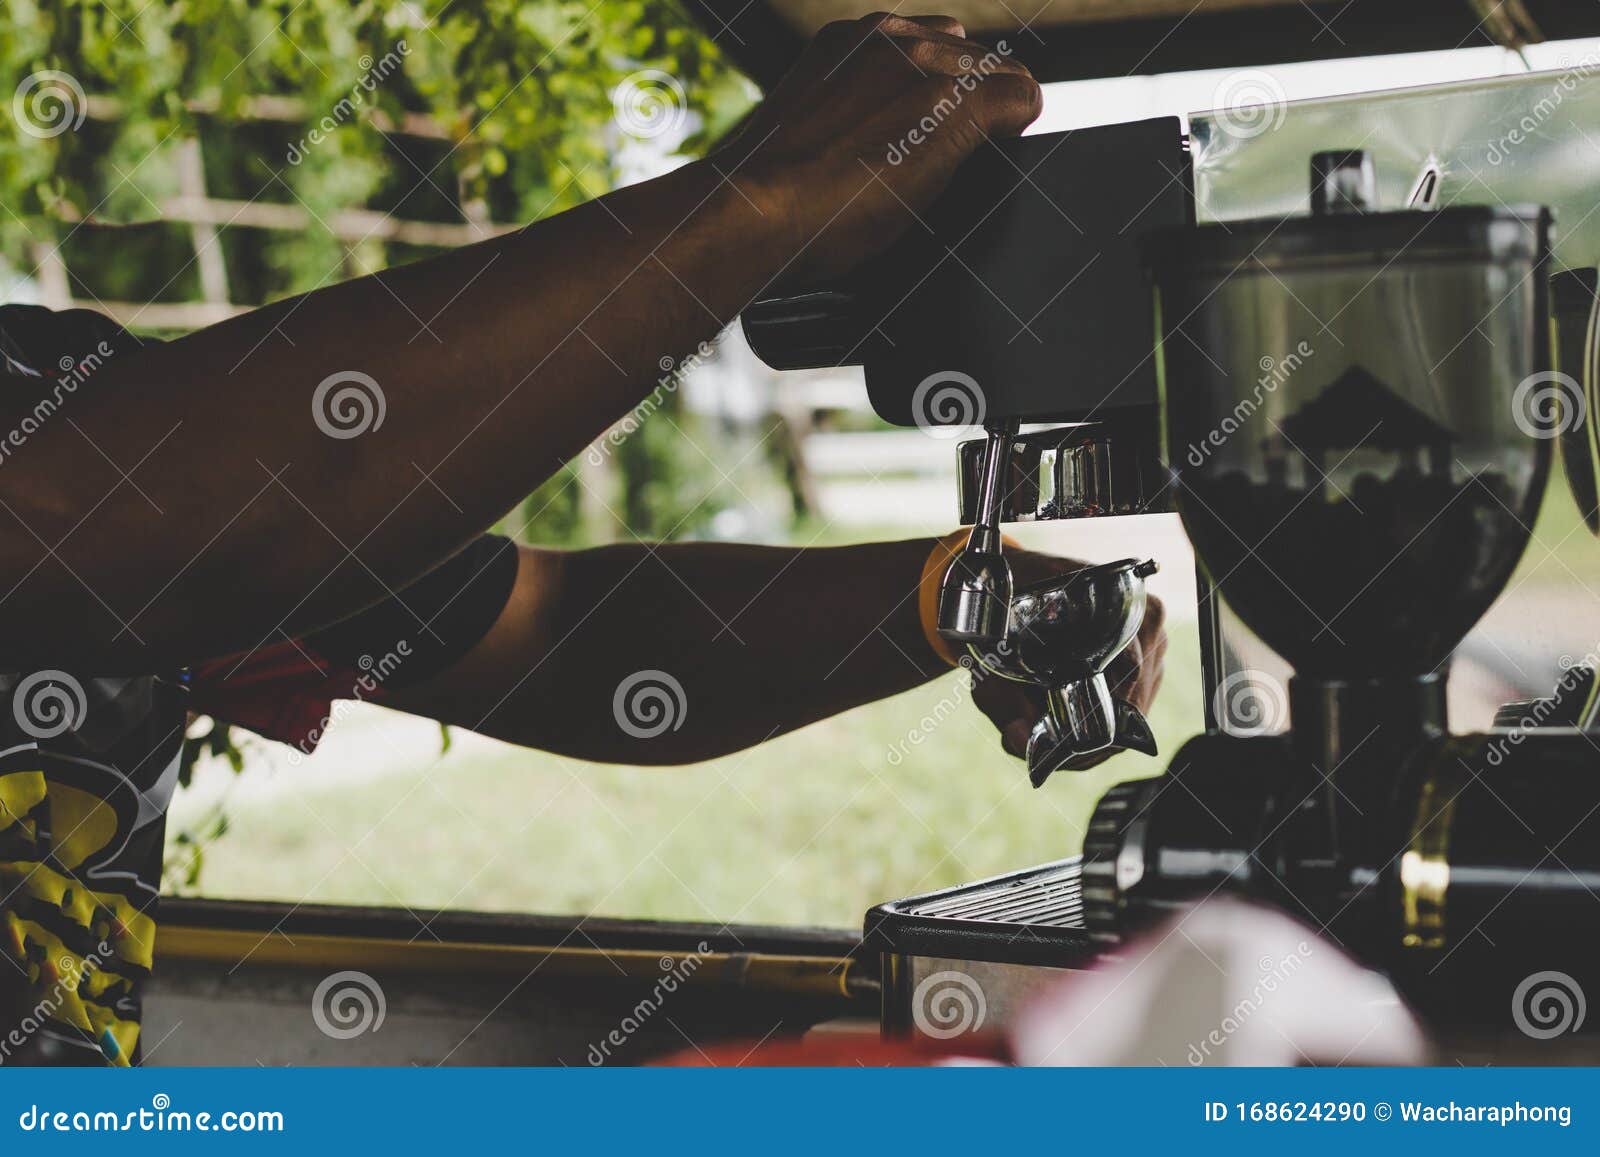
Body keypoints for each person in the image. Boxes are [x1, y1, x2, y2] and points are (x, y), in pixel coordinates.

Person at [0, 13, 1165, 1065]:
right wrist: (754, 203)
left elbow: (559, 636)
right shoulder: (91, 465)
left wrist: (960, 598)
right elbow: (205, 533)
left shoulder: (55, 385)